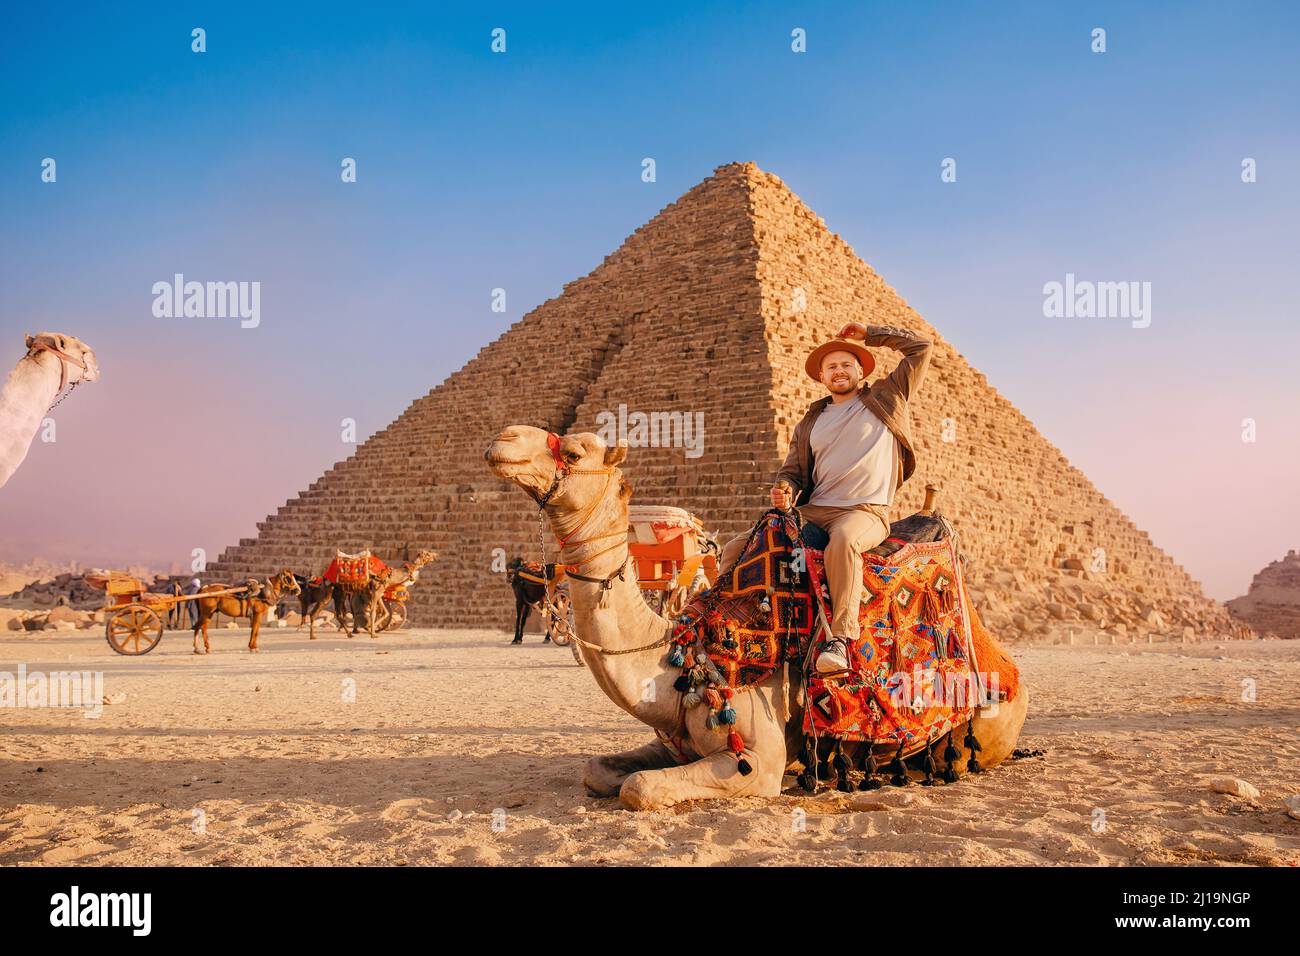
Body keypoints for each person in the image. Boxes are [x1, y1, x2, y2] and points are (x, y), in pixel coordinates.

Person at [720, 322, 931, 673]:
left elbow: (921, 347)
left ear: (861, 370)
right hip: (814, 511)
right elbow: (793, 473)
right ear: (821, 376)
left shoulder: (888, 396)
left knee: (845, 541)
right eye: (831, 366)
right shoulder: (810, 422)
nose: (839, 371)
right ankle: (724, 620)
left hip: (866, 511)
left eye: (846, 364)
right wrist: (784, 488)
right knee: (736, 548)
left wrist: (869, 333)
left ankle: (840, 639)